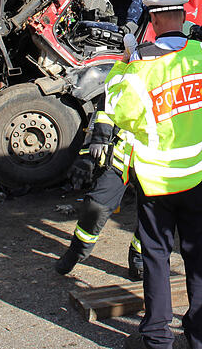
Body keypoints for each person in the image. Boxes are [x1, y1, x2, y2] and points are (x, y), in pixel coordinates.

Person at [103, 0, 202, 349]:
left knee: (156, 258)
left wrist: (123, 62)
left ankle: (157, 336)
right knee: (197, 257)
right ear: (182, 17)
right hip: (197, 176)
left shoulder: (139, 65)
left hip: (156, 181)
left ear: (155, 22)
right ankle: (199, 334)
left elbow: (118, 110)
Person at [55, 110, 144, 279]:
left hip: (156, 162)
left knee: (153, 215)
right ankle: (77, 250)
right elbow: (104, 109)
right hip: (120, 157)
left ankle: (139, 259)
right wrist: (89, 151)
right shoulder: (121, 81)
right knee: (95, 206)